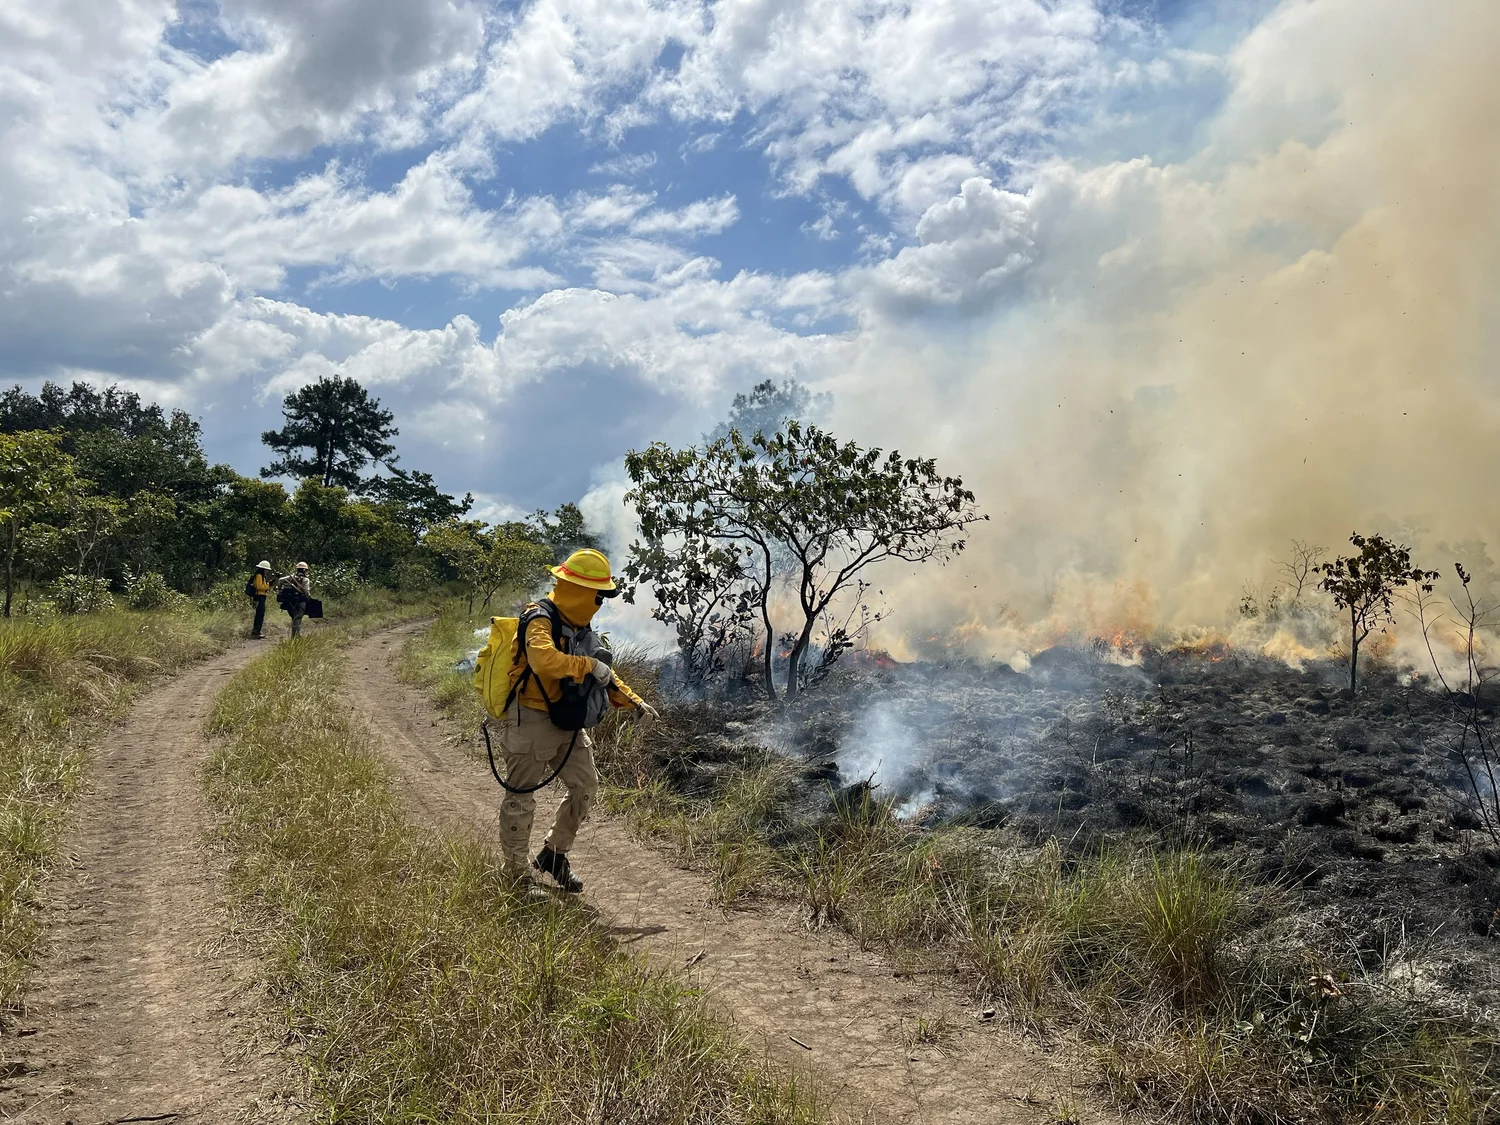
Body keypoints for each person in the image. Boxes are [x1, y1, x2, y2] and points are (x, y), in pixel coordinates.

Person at [500, 548, 658, 892]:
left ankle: (554, 855)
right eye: (598, 595)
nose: (601, 601)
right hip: (530, 717)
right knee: (521, 796)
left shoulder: (581, 627)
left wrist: (634, 703)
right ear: (581, 590)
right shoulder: (539, 617)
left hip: (566, 721)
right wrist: (589, 665)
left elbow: (605, 677)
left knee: (585, 786)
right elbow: (543, 661)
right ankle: (516, 876)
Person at [277, 562, 312, 637]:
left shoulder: (290, 577)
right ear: (304, 570)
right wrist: (308, 596)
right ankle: (295, 637)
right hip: (300, 602)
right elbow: (306, 592)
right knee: (297, 619)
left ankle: (297, 635)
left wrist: (279, 590)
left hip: (290, 602)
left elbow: (280, 580)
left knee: (294, 618)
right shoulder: (305, 580)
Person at [245, 560, 273, 638]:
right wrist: (268, 586)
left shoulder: (261, 576)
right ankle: (256, 631)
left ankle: (257, 630)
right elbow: (259, 587)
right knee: (259, 615)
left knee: (260, 614)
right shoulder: (259, 576)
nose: (267, 571)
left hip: (261, 597)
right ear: (263, 569)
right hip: (259, 597)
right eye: (266, 570)